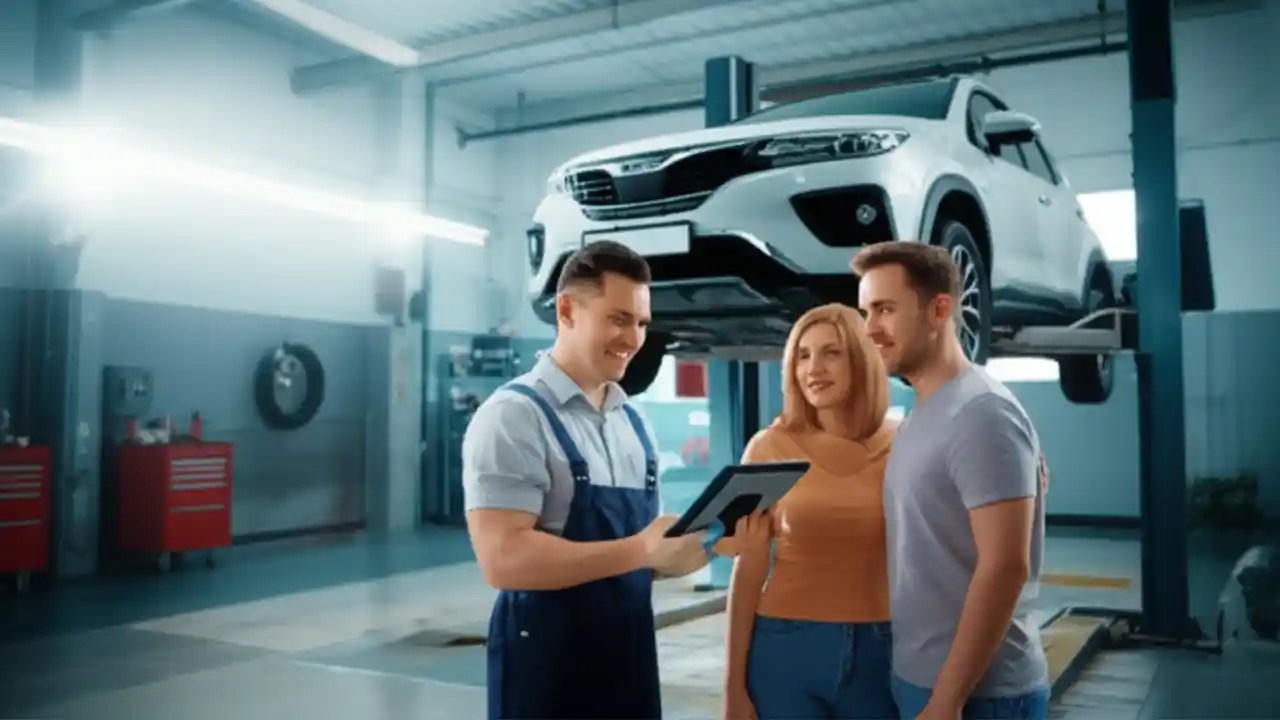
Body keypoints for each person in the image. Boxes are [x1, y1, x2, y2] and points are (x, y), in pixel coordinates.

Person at [462, 240, 712, 720]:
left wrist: (682, 552)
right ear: (567, 310)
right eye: (619, 319)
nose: (634, 338)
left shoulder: (632, 422)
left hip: (628, 657)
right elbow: (504, 559)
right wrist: (641, 551)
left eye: (641, 323)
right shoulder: (513, 417)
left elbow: (630, 555)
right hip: (547, 670)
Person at [850, 241, 1050, 720]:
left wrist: (948, 699)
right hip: (924, 679)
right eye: (865, 312)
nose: (870, 328)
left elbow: (1005, 567)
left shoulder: (982, 413)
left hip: (979, 694)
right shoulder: (926, 409)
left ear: (940, 309)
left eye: (884, 309)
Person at [718, 303, 900, 720]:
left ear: (861, 358)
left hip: (883, 650)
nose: (813, 368)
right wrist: (732, 689)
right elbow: (746, 571)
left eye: (831, 353)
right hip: (784, 648)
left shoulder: (906, 442)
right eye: (803, 355)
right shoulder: (767, 447)